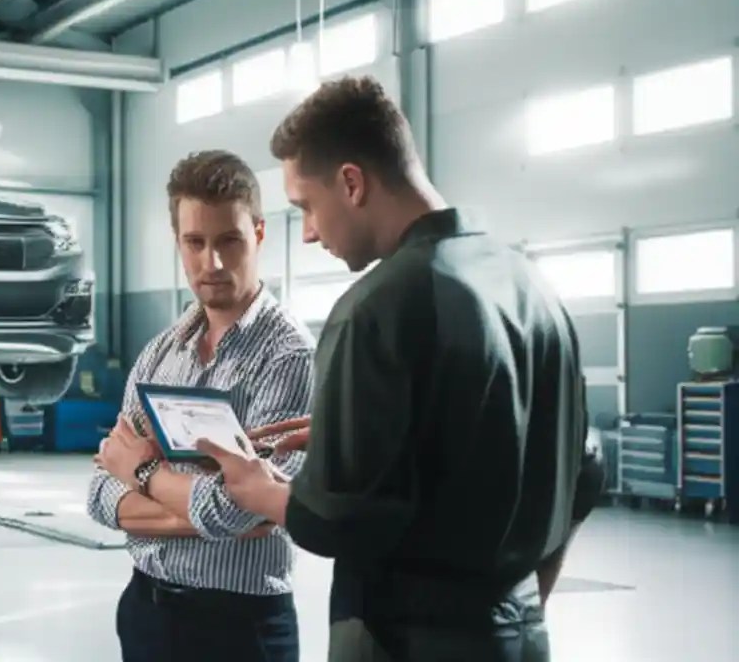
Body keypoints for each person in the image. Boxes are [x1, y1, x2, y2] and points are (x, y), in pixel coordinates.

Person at [194, 75, 604, 661]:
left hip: (404, 638)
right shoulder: (530, 283)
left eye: (307, 207)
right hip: (521, 635)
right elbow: (581, 474)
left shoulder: (378, 307)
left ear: (352, 182)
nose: (309, 233)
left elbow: (334, 518)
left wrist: (259, 490)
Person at [87, 150, 315, 662]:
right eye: (195, 243)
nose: (211, 263)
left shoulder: (287, 355)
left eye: (228, 241)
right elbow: (100, 493)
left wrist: (142, 473)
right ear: (178, 243)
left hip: (238, 625)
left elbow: (246, 509)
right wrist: (208, 508)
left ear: (258, 234)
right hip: (146, 610)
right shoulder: (160, 353)